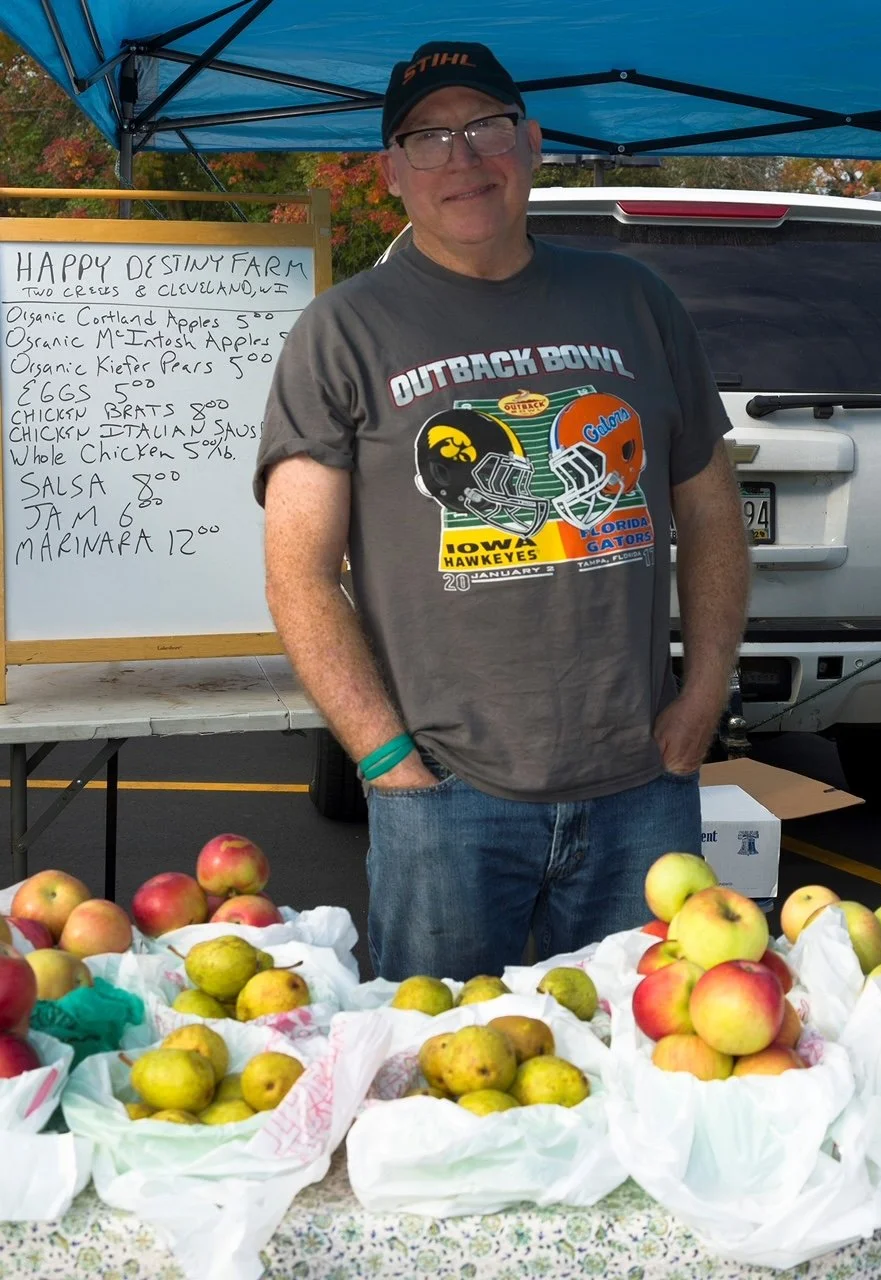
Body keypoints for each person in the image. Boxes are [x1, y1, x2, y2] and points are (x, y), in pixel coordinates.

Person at [254, 40, 750, 981]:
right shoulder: (342, 331)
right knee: (443, 1061)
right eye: (428, 138)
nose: (462, 158)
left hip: (642, 783)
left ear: (531, 142)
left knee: (639, 1052)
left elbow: (713, 517)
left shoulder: (636, 302)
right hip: (445, 799)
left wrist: (705, 693)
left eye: (484, 127)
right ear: (391, 171)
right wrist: (384, 757)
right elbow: (298, 573)